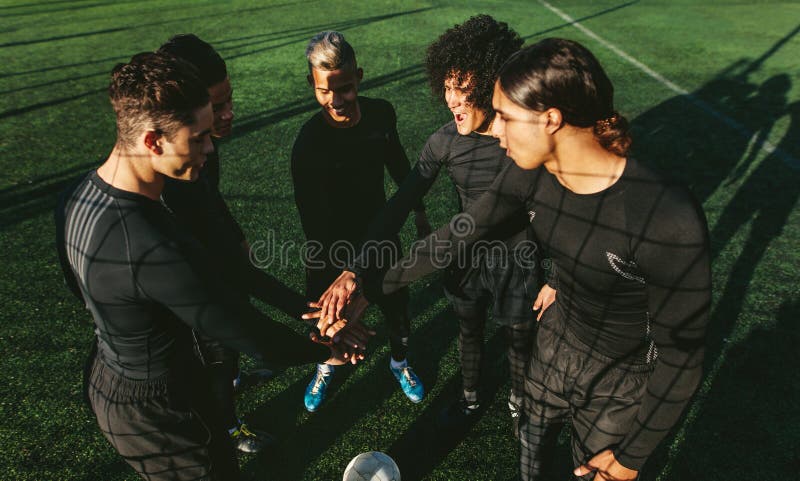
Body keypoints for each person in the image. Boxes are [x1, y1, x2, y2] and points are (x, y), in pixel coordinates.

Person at [311, 38, 711, 481]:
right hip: (553, 349)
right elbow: (455, 236)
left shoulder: (666, 216)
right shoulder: (528, 173)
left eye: (505, 116)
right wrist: (365, 288)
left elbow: (682, 358)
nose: (496, 130)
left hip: (619, 381)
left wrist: (630, 460)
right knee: (530, 463)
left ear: (550, 119)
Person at [55, 51, 356, 481]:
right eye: (197, 138)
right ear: (153, 142)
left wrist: (306, 309)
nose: (209, 147)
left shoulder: (77, 193)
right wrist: (327, 350)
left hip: (108, 374)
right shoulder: (149, 244)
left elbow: (224, 269)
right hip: (161, 410)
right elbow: (250, 335)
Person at [316, 15, 547, 433]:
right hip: (465, 259)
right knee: (469, 330)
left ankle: (520, 405)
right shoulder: (444, 140)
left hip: (516, 258)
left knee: (518, 339)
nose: (451, 100)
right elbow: (398, 204)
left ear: (492, 84)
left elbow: (464, 229)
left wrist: (371, 290)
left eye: (462, 89)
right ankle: (471, 398)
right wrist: (355, 269)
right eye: (446, 87)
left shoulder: (524, 144)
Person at [157, 33, 294, 454]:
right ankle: (227, 425)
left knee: (227, 341)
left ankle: (230, 382)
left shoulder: (200, 147)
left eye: (228, 99)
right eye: (217, 107)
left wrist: (236, 236)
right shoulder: (172, 177)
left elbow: (211, 200)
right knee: (216, 346)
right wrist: (310, 324)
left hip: (210, 254)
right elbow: (227, 267)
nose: (229, 113)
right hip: (191, 280)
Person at [291, 31, 431, 412]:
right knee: (327, 322)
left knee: (398, 312)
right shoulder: (308, 144)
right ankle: (326, 366)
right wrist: (346, 281)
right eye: (324, 91)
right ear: (311, 85)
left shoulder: (381, 114)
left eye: (345, 89)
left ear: (360, 77)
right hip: (329, 247)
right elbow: (314, 224)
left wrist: (419, 211)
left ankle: (399, 363)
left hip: (381, 234)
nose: (336, 101)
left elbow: (399, 164)